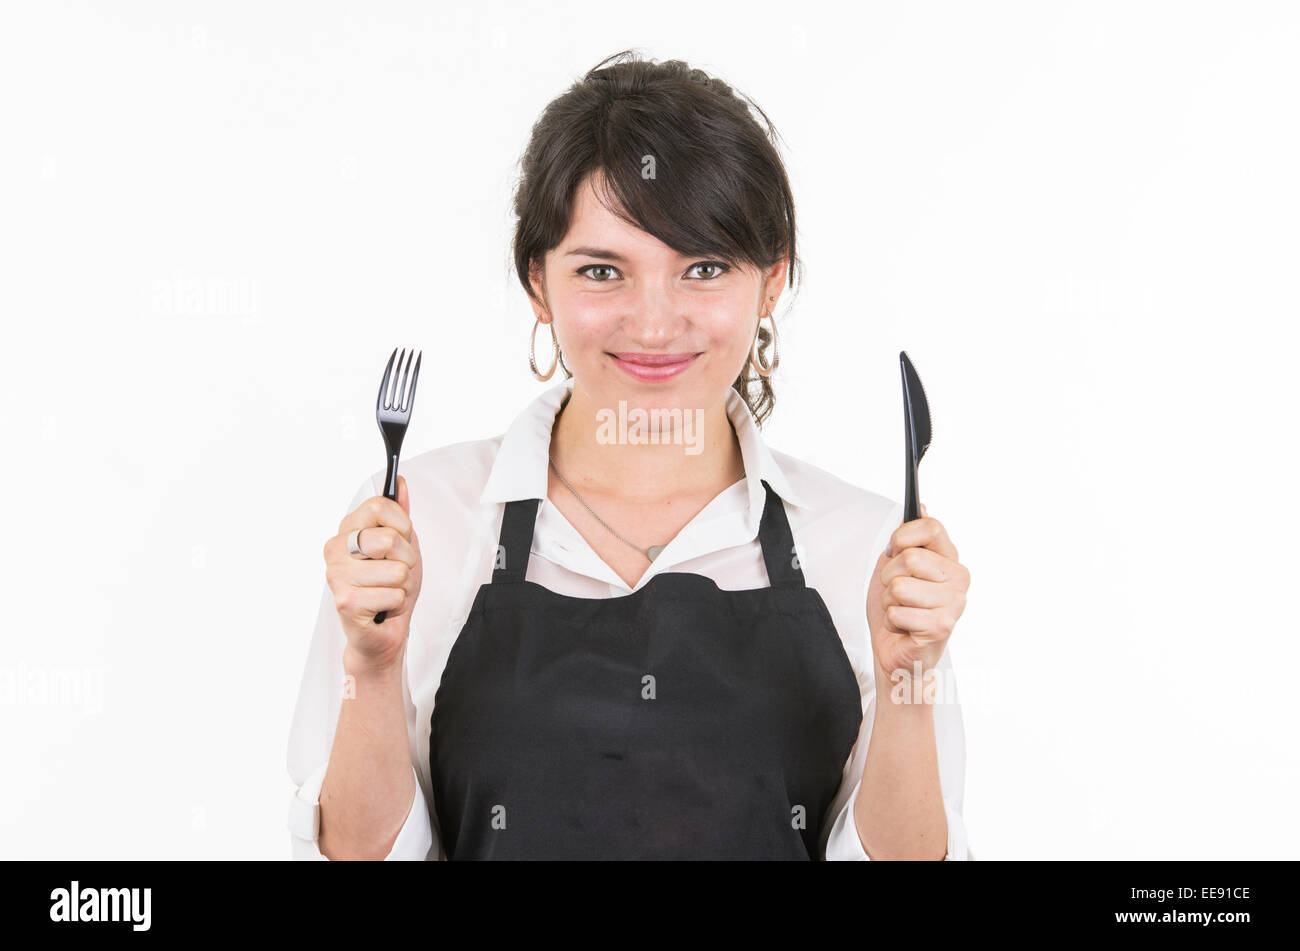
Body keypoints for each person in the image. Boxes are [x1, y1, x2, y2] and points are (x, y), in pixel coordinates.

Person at [287, 50, 972, 860]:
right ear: (537, 281)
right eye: (602, 270)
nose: (653, 326)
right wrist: (369, 666)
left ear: (771, 282)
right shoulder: (417, 518)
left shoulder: (865, 549)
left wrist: (909, 681)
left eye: (705, 269)